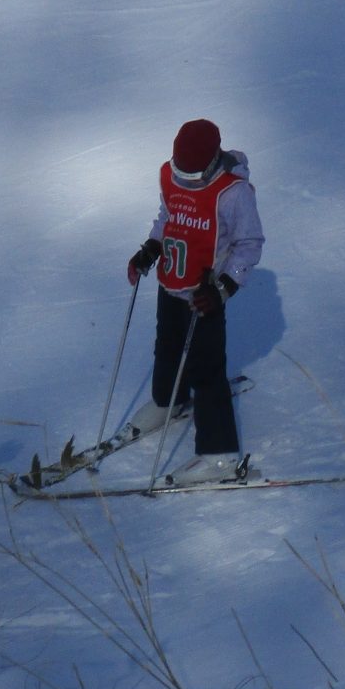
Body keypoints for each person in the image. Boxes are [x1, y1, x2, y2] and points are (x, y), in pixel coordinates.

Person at [125, 119, 266, 486]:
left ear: (212, 161)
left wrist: (224, 288)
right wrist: (151, 248)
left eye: (193, 174)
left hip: (205, 296)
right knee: (166, 346)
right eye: (180, 171)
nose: (185, 179)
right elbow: (168, 218)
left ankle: (218, 456)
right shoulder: (171, 176)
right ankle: (167, 400)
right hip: (171, 282)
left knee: (207, 372)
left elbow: (249, 244)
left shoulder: (234, 193)